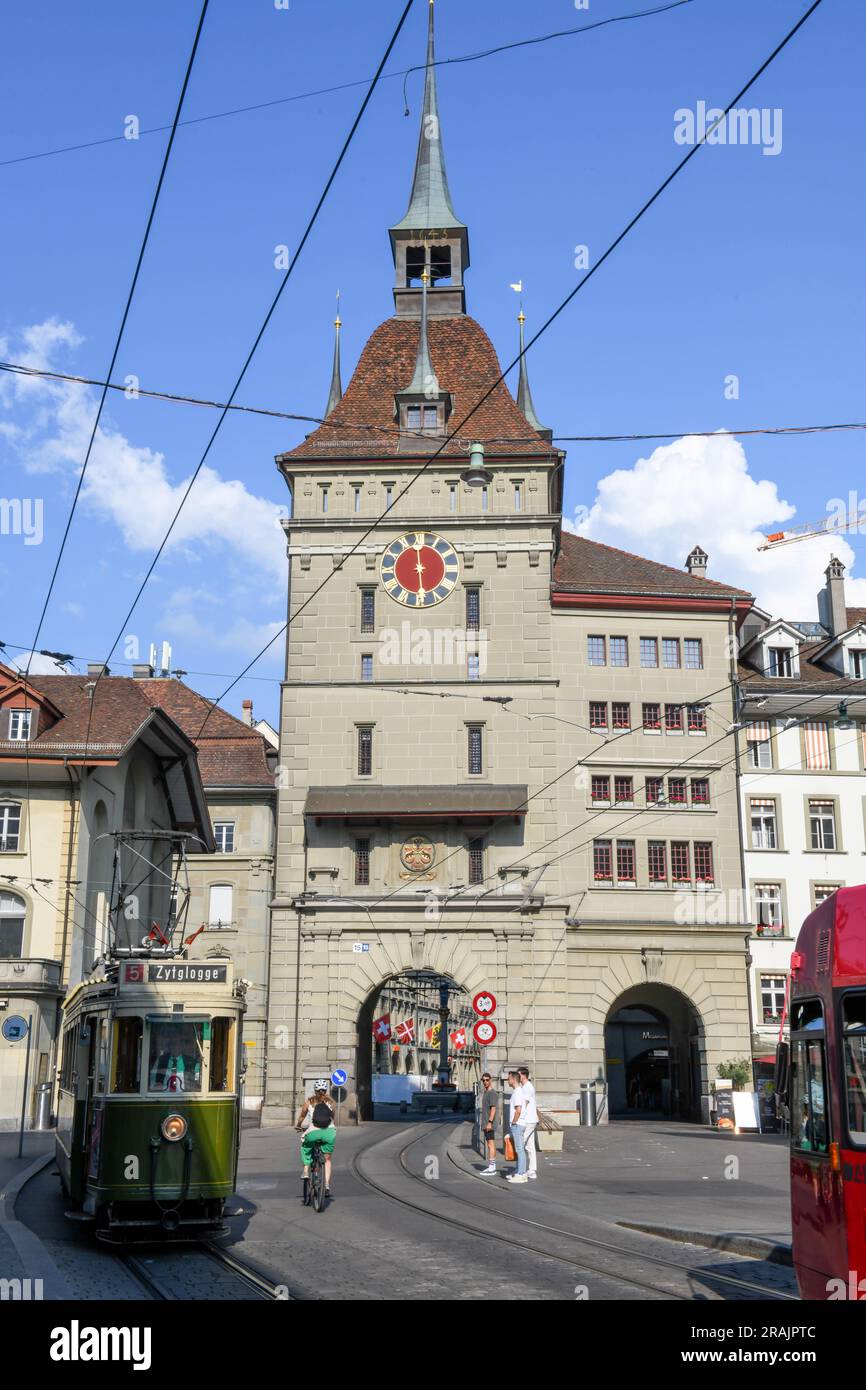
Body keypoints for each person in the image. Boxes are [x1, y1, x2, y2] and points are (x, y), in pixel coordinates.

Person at [296, 1080, 336, 1201]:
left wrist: (298, 1125)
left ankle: (306, 1171)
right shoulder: (331, 1103)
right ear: (326, 1090)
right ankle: (327, 1186)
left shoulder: (310, 1101)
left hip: (313, 1131)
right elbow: (332, 1118)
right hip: (329, 1132)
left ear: (315, 1090)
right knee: (328, 1158)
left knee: (305, 1146)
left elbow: (302, 1115)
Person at [505, 1069, 529, 1184]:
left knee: (519, 1149)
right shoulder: (517, 1091)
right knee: (519, 1149)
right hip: (518, 1124)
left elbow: (518, 1110)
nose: (507, 1080)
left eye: (509, 1078)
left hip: (518, 1124)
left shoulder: (518, 1092)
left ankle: (521, 1174)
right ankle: (520, 1172)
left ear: (514, 1079)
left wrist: (514, 1122)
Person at [517, 1066, 539, 1181]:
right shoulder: (526, 1086)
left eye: (518, 1075)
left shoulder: (527, 1088)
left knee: (520, 1144)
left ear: (523, 1075)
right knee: (530, 1146)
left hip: (529, 1120)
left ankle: (520, 1170)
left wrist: (518, 1119)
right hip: (532, 1120)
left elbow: (524, 1104)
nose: (517, 1077)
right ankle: (532, 1170)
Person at [479, 1072, 498, 1175]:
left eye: (487, 1080)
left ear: (490, 1080)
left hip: (489, 1123)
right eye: (483, 1080)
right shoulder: (486, 1093)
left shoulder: (492, 1093)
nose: (485, 1082)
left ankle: (492, 1167)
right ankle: (492, 1166)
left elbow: (493, 1109)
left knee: (491, 1144)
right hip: (486, 1123)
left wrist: (490, 1122)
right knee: (489, 1144)